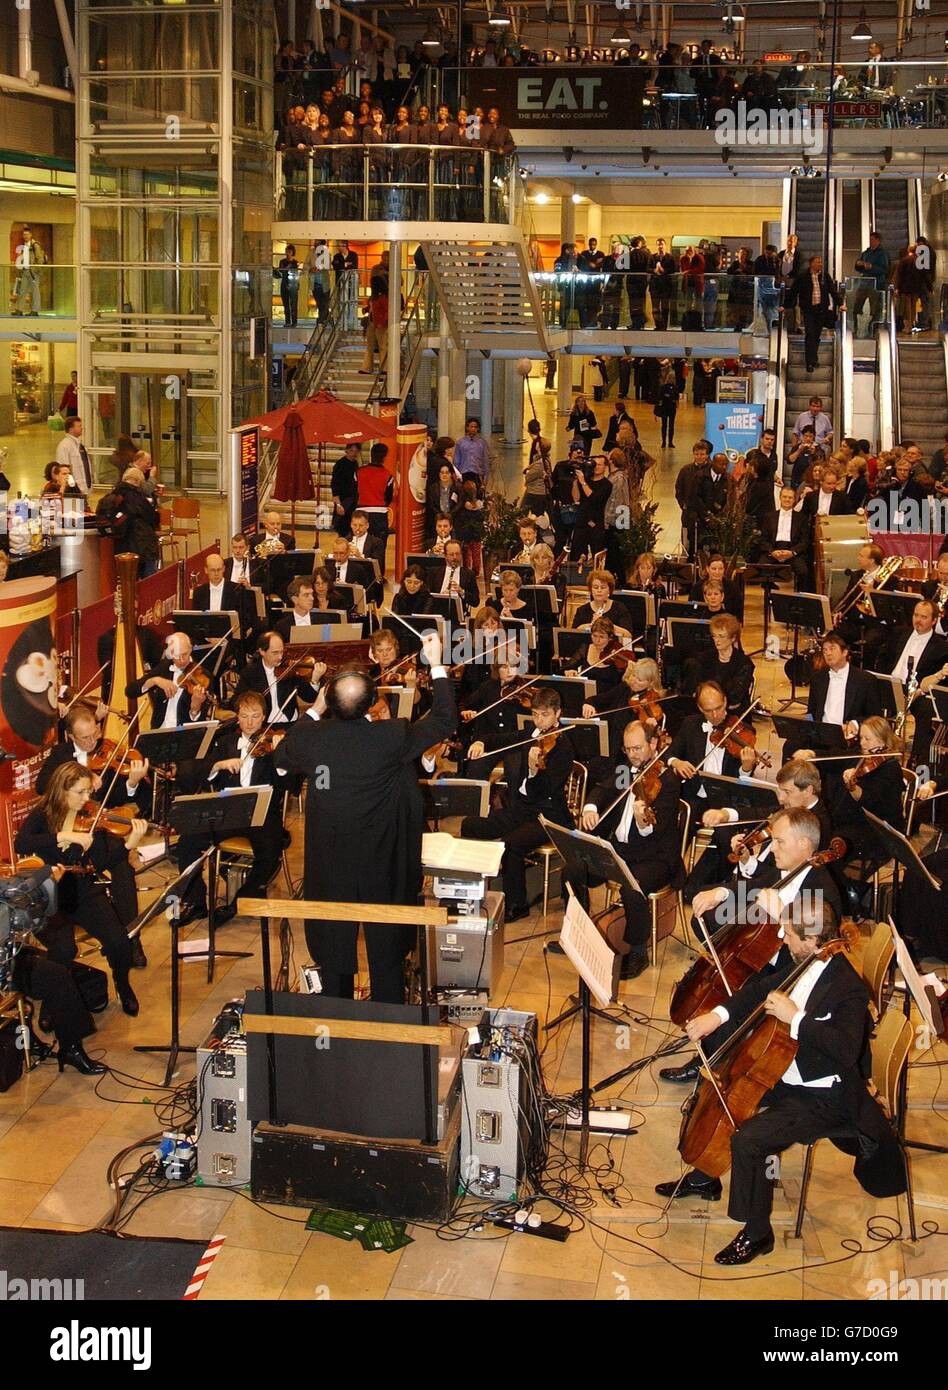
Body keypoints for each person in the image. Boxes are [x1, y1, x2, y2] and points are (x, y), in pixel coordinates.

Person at [274, 631, 455, 1001]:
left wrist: (314, 710)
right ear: (373, 702)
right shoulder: (392, 736)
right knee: (386, 951)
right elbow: (443, 720)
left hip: (331, 864)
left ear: (330, 701)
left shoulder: (312, 738)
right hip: (382, 861)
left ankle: (338, 1015)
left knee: (334, 950)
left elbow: (281, 755)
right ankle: (388, 1014)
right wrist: (436, 663)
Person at [16, 762, 143, 1017]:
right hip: (50, 892)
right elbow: (22, 843)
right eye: (81, 792)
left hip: (82, 888)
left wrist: (129, 845)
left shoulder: (91, 816)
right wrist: (64, 836)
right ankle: (53, 1003)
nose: (87, 798)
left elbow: (101, 863)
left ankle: (122, 983)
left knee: (118, 941)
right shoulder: (43, 813)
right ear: (62, 790)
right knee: (64, 950)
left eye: (88, 791)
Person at [567, 719, 684, 979]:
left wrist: (643, 821)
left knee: (632, 888)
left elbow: (658, 831)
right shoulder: (627, 770)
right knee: (574, 869)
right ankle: (580, 930)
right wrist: (590, 807)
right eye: (628, 749)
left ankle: (638, 952)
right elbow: (603, 788)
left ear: (654, 743)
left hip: (655, 857)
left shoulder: (667, 781)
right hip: (621, 850)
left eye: (638, 748)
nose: (632, 755)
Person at [461, 688, 575, 922]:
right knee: (470, 825)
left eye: (545, 715)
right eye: (535, 714)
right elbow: (501, 739)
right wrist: (482, 741)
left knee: (512, 844)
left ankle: (517, 904)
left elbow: (542, 791)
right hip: (522, 809)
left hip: (548, 816)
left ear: (557, 713)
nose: (539, 721)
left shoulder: (564, 748)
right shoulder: (532, 733)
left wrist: (534, 771)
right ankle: (469, 890)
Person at [682, 613, 754, 712]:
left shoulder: (743, 663)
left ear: (733, 638)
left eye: (721, 636)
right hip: (706, 708)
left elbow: (734, 698)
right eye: (714, 636)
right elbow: (696, 690)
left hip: (733, 713)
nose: (717, 640)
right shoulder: (704, 657)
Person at [784, 256, 843, 373]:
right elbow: (794, 291)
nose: (820, 264)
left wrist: (840, 304)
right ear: (811, 264)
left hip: (821, 309)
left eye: (821, 262)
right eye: (817, 262)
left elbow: (833, 291)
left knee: (816, 335)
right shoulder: (803, 277)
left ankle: (814, 358)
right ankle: (809, 362)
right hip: (808, 310)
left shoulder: (825, 276)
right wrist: (785, 305)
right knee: (810, 333)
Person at [758, 485, 812, 590]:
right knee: (761, 567)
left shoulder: (802, 518)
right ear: (780, 498)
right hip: (774, 550)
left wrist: (792, 552)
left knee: (803, 571)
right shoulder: (769, 517)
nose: (787, 500)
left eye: (790, 497)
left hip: (792, 551)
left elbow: (804, 541)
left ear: (794, 499)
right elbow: (763, 540)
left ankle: (800, 596)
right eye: (785, 497)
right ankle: (770, 592)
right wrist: (772, 552)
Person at [852, 231, 889, 333]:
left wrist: (871, 267)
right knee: (856, 306)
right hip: (864, 282)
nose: (870, 241)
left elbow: (884, 269)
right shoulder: (866, 252)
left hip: (876, 284)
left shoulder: (882, 254)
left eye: (872, 240)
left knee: (875, 308)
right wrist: (859, 264)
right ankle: (855, 328)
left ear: (878, 240)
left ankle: (873, 328)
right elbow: (859, 267)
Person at [355, 446, 394, 542]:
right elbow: (389, 496)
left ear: (371, 455)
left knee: (361, 544)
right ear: (384, 457)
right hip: (380, 513)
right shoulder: (388, 475)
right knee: (379, 545)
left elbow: (353, 491)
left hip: (361, 512)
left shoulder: (359, 472)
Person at [432, 539, 480, 612]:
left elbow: (476, 601)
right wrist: (441, 596)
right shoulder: (434, 573)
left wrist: (462, 592)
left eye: (457, 554)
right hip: (437, 611)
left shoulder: (469, 574)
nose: (455, 557)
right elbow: (427, 596)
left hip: (458, 613)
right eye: (451, 554)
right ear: (445, 556)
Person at [13, 225, 47, 315]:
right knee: (22, 290)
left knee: (35, 291)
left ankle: (35, 310)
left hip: (33, 272)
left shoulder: (35, 245)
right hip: (25, 271)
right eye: (24, 234)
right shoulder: (24, 245)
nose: (25, 236)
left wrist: (35, 270)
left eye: (27, 234)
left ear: (31, 235)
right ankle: (19, 310)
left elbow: (40, 259)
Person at [55, 417, 92, 497]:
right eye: (79, 426)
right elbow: (63, 469)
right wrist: (69, 487)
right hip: (73, 491)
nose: (82, 428)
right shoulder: (64, 446)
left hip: (83, 489)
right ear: (71, 429)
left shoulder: (79, 445)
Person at [453, 416, 492, 491]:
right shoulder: (460, 443)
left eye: (475, 427)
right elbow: (456, 460)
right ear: (467, 428)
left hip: (477, 473)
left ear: (478, 429)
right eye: (471, 426)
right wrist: (456, 476)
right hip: (463, 473)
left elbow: (485, 461)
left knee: (478, 495)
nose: (473, 429)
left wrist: (485, 478)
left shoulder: (482, 443)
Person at [331, 441, 360, 536]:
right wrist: (338, 504)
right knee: (342, 528)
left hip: (353, 500)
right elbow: (334, 485)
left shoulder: (355, 463)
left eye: (356, 451)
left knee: (351, 529)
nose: (354, 453)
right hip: (343, 501)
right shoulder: (340, 465)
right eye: (351, 450)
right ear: (346, 450)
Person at [276, 244, 301, 327]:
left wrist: (297, 284)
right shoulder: (282, 261)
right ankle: (287, 321)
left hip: (293, 284)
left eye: (289, 252)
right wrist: (287, 267)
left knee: (293, 304)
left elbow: (297, 274)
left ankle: (294, 322)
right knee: (286, 304)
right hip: (284, 283)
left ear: (293, 252)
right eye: (286, 251)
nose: (288, 253)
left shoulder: (295, 262)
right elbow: (281, 271)